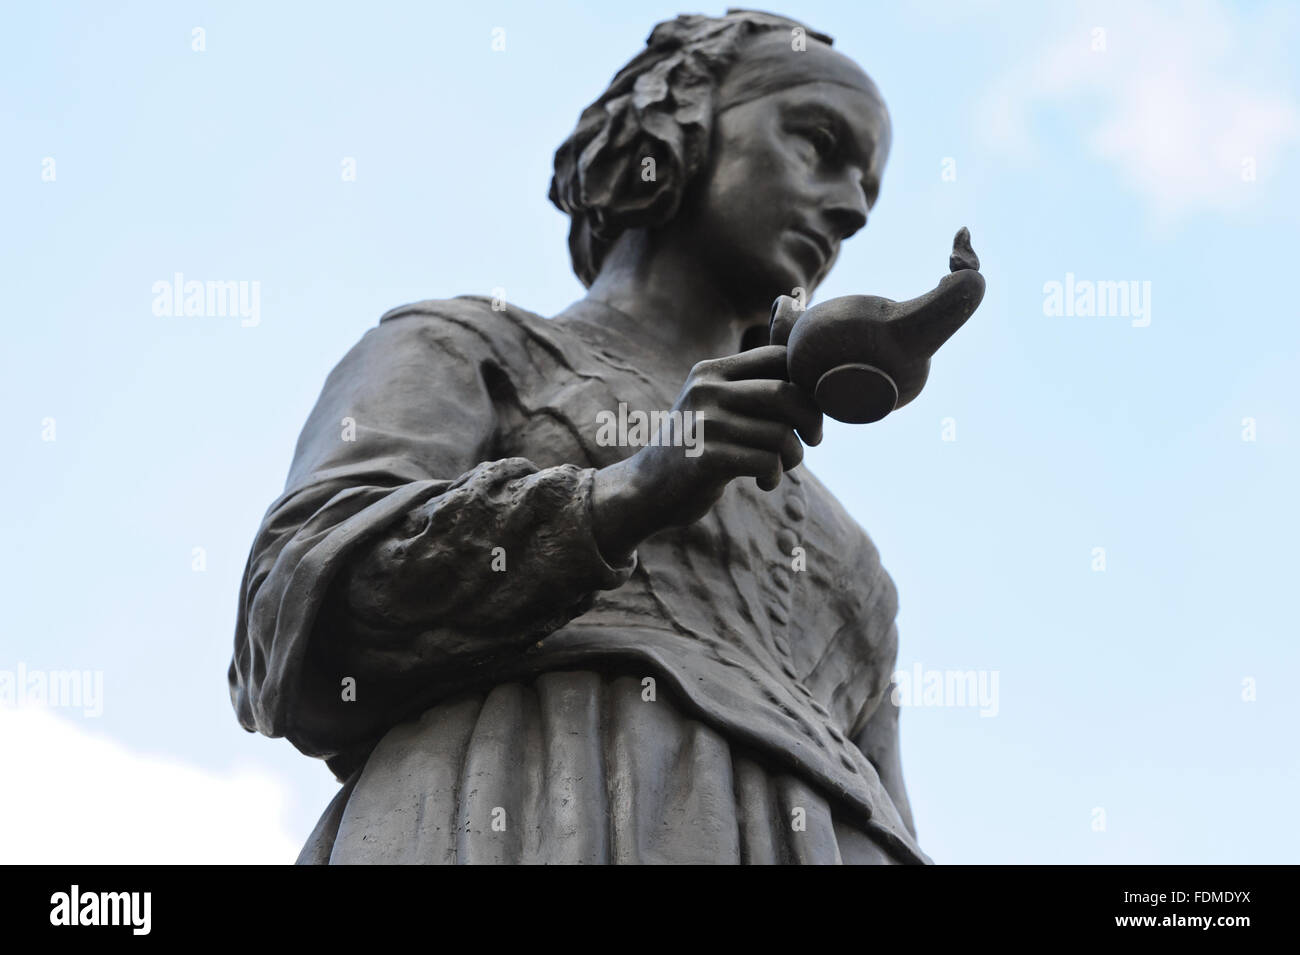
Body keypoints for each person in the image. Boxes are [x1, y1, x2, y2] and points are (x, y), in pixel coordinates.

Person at [230, 9, 931, 864]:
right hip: (514, 816)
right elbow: (290, 623)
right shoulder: (467, 346)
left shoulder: (851, 562)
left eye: (870, 186)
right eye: (818, 143)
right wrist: (625, 495)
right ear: (678, 131)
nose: (853, 207)